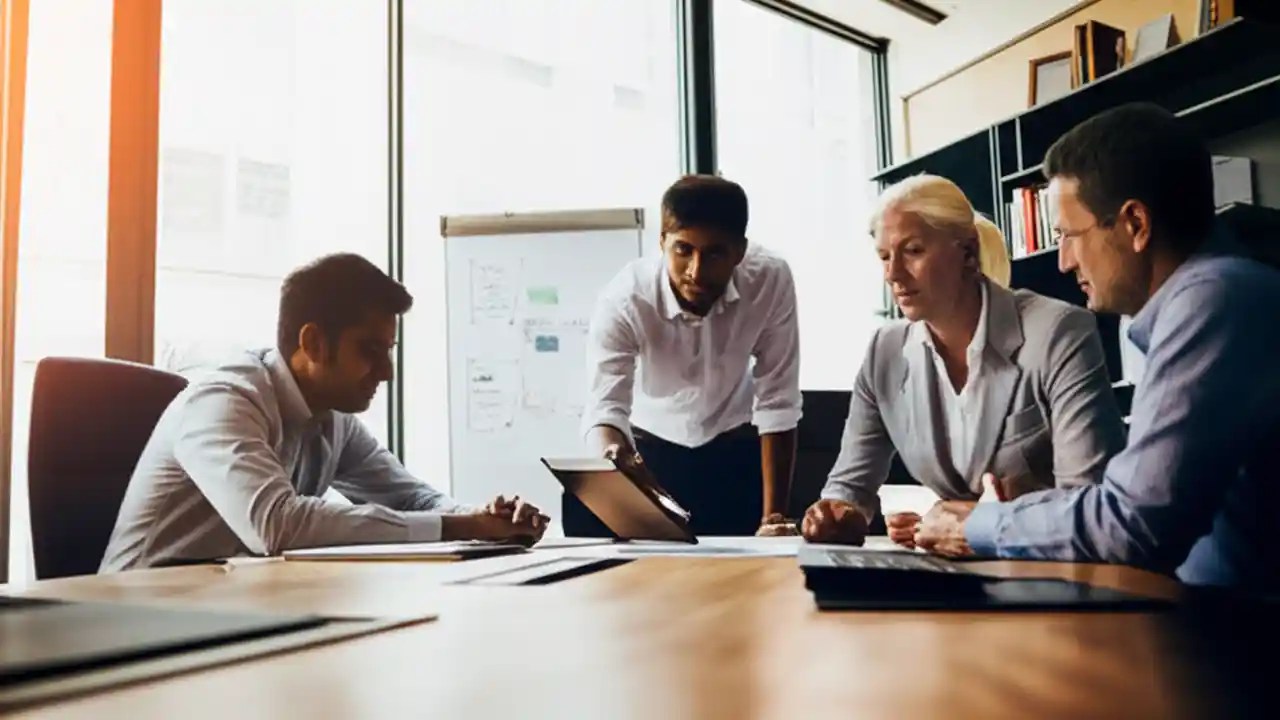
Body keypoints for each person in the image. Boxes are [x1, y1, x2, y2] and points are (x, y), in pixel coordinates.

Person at [913, 103, 1280, 591]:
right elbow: (1126, 500)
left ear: (1135, 224)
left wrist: (976, 527)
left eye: (1068, 234)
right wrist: (1001, 516)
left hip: (1238, 630)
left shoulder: (1212, 300)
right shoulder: (1212, 295)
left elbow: (1134, 523)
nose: (1063, 261)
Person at [101, 253, 546, 572]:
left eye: (388, 351)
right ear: (313, 343)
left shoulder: (334, 420)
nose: (387, 372)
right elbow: (276, 525)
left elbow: (412, 499)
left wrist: (486, 521)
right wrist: (462, 526)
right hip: (135, 620)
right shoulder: (225, 399)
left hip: (231, 611)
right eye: (370, 351)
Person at [802, 174, 1124, 547]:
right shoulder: (884, 352)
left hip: (1059, 564)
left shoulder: (1058, 332)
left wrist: (971, 523)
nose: (893, 274)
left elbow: (1086, 498)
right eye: (885, 257)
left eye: (913, 251)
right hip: (953, 568)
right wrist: (836, 514)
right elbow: (849, 488)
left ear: (968, 252)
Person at [573, 175, 802, 537]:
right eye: (683, 250)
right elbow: (605, 407)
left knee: (749, 567)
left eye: (714, 253)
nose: (696, 271)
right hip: (649, 454)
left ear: (740, 252)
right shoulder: (625, 299)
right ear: (662, 242)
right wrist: (613, 454)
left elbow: (778, 400)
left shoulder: (770, 280)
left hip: (734, 450)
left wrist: (773, 517)